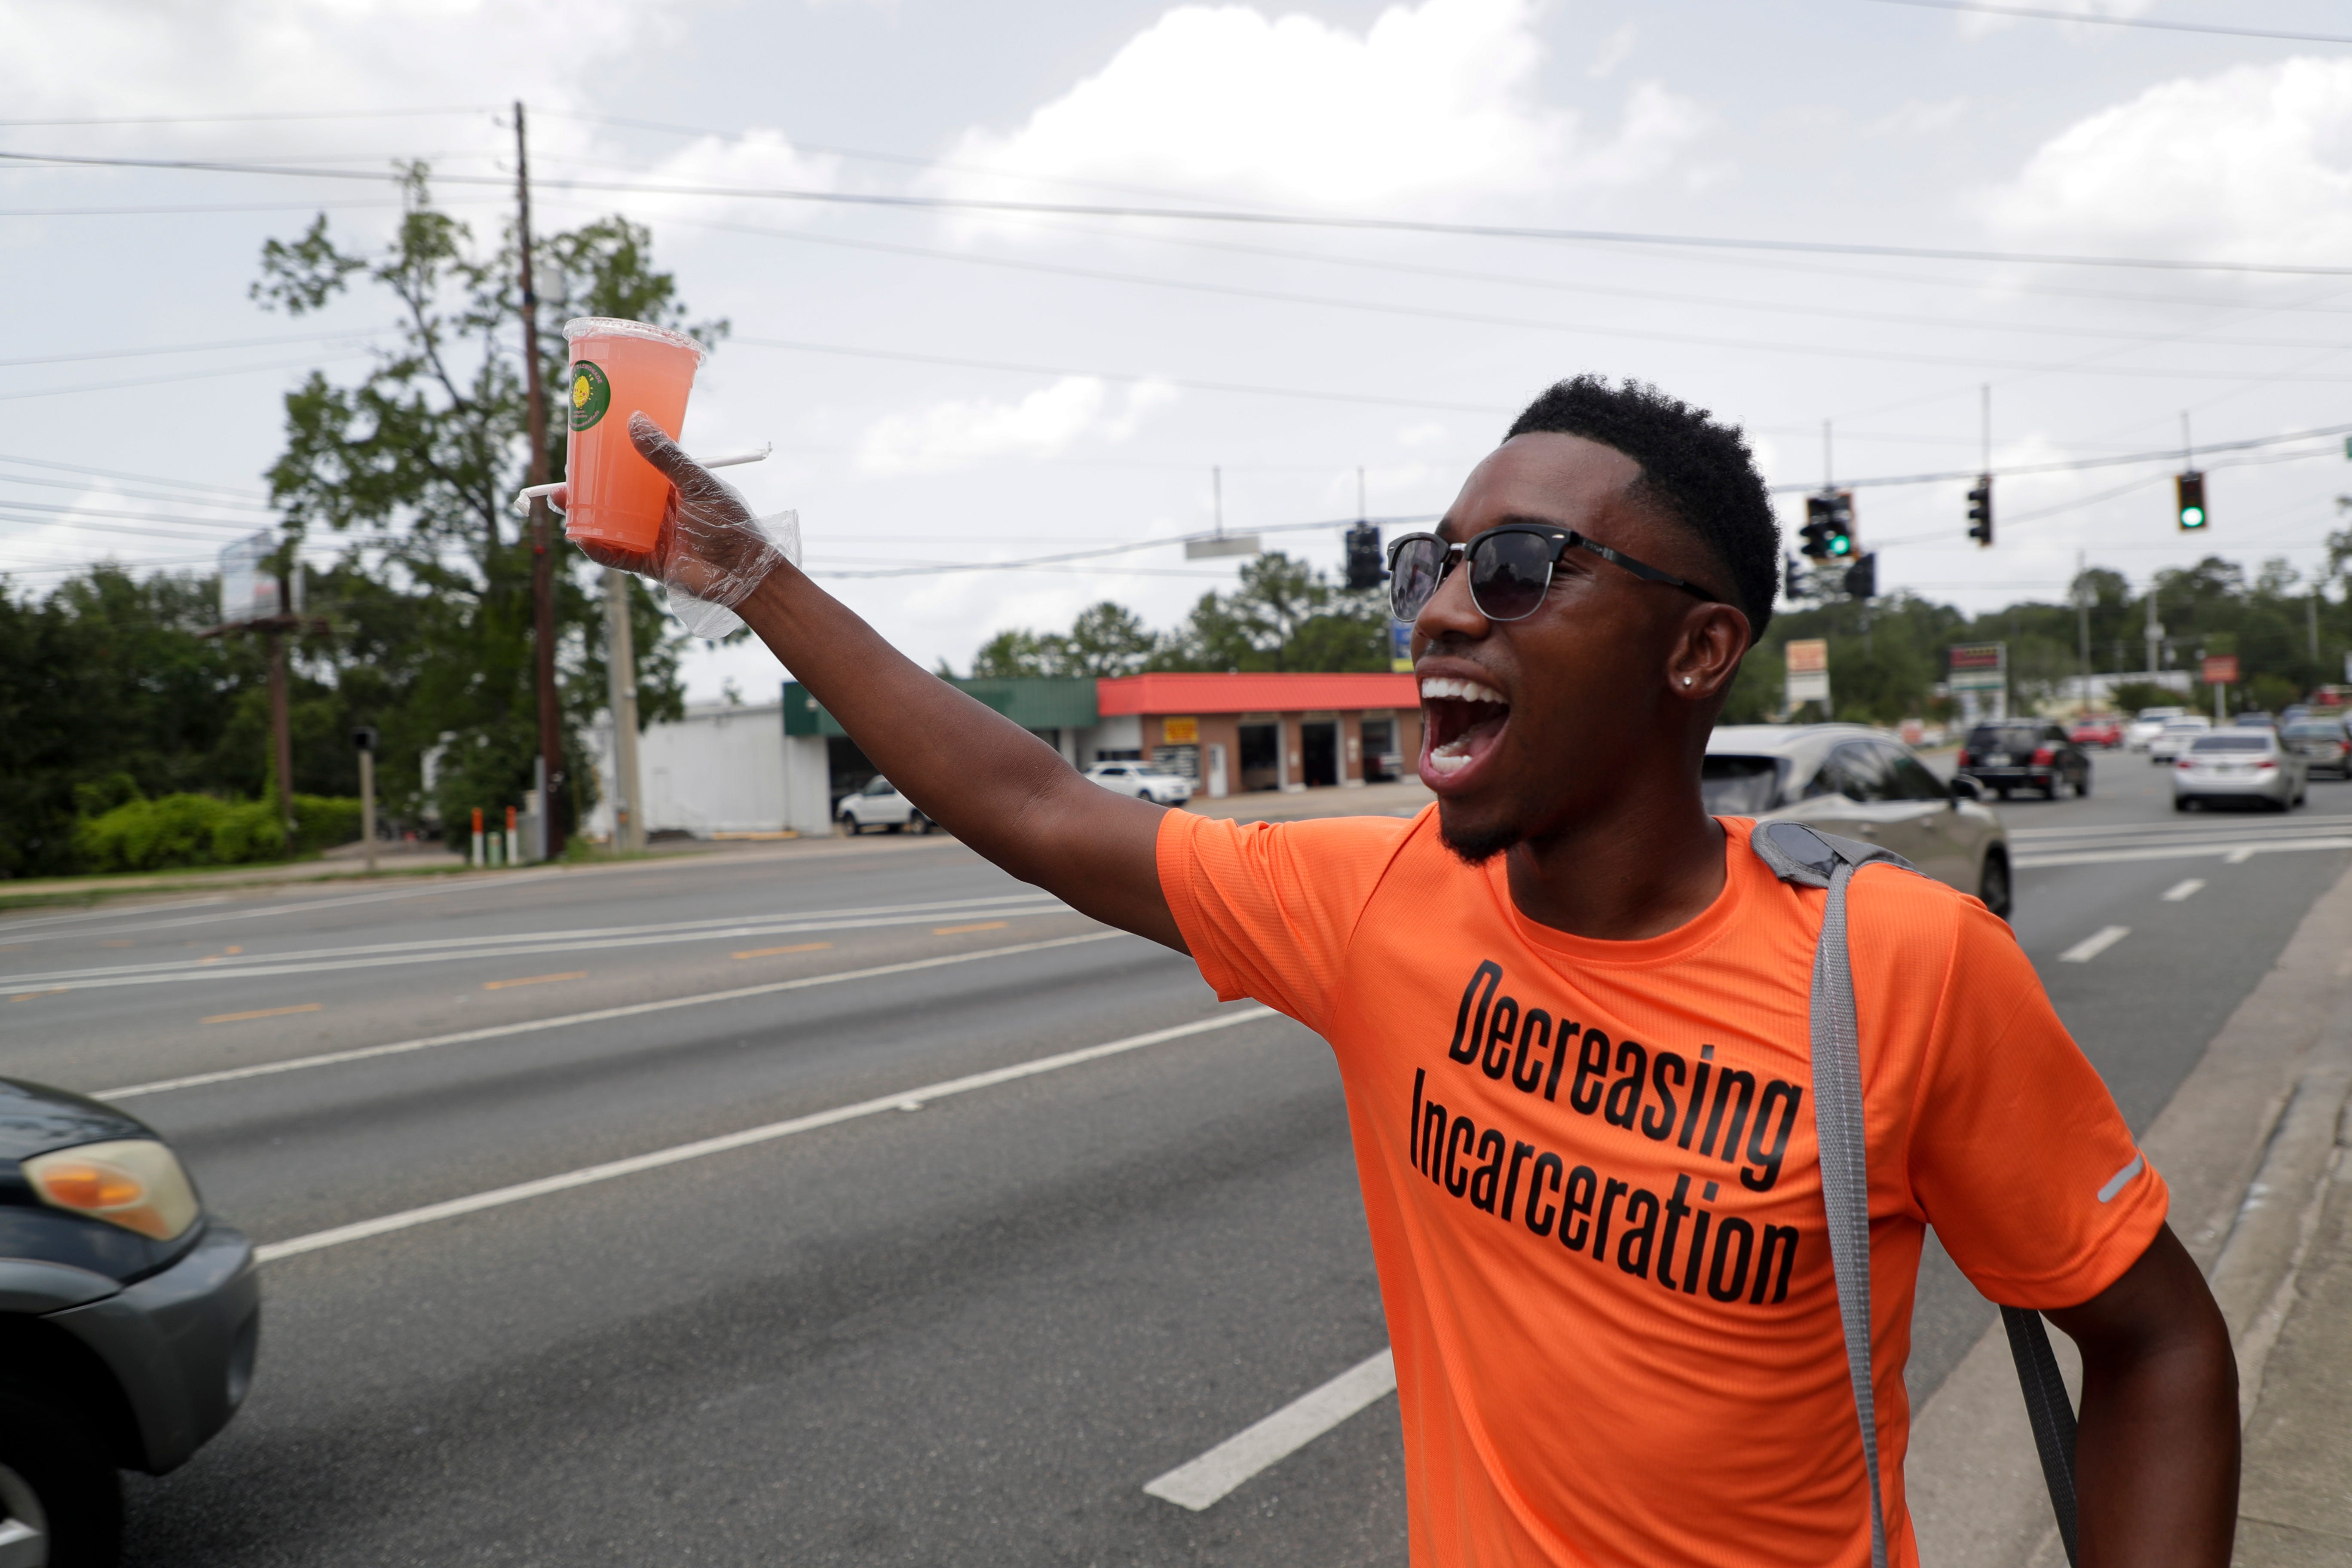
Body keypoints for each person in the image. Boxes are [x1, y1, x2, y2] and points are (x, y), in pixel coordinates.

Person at [573, 375, 2239, 1567]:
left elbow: (2157, 1345)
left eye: (1517, 568)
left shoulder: (1898, 963)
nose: (1442, 609)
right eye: (1428, 566)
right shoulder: (1376, 908)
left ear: (1698, 648)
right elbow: (1033, 799)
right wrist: (754, 580)